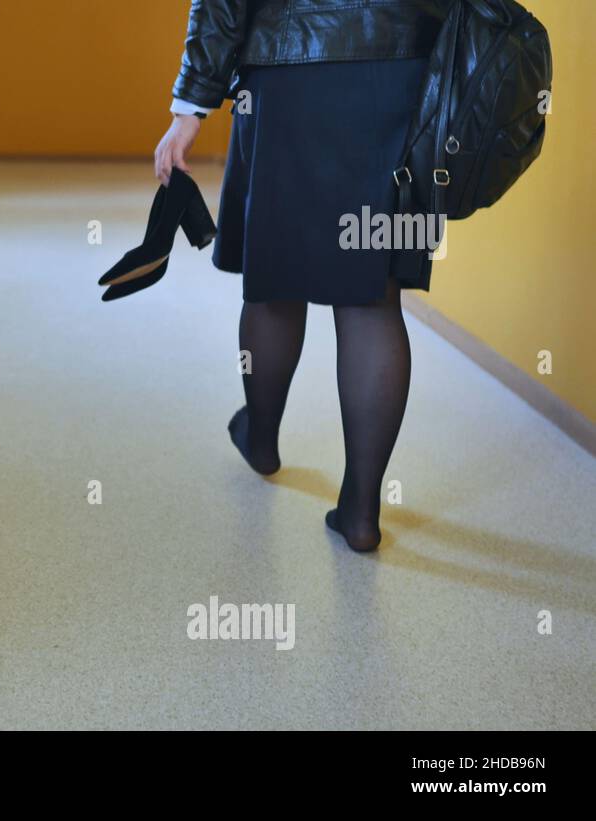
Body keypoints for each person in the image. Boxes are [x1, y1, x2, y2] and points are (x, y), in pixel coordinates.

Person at [154, 0, 449, 551]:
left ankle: (260, 438)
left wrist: (190, 106)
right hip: (406, 69)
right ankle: (361, 513)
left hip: (289, 67)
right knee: (374, 299)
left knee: (275, 279)